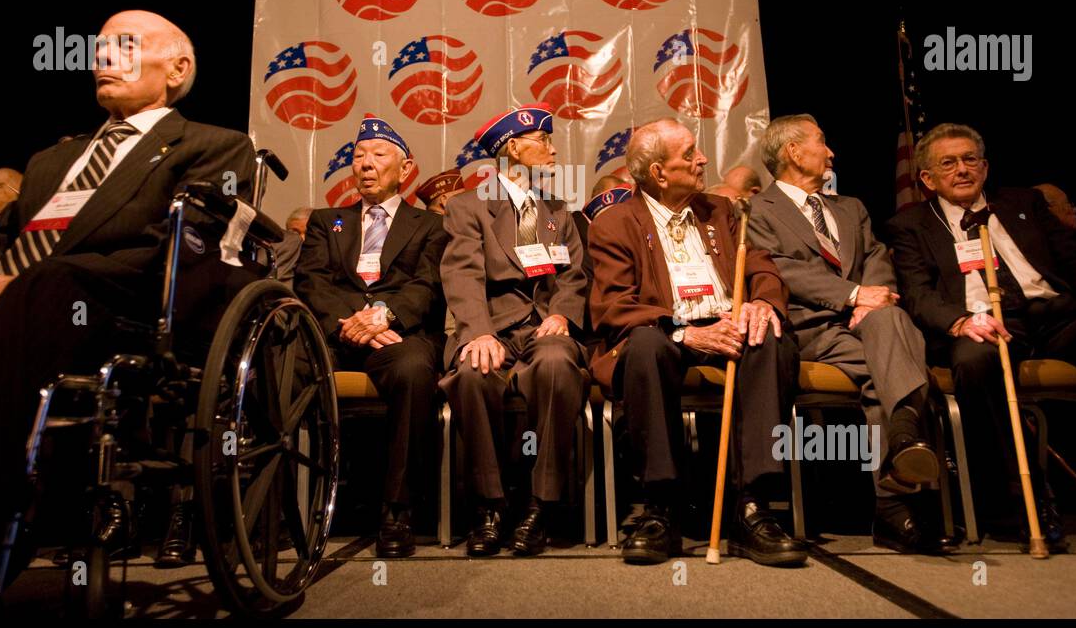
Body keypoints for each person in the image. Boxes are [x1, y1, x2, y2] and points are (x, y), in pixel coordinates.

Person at [0, 11, 258, 594]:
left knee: (51, 284)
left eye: (124, 46)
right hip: (12, 298)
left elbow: (191, 252)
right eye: (99, 48)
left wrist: (19, 288)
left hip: (116, 310)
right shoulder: (50, 160)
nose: (102, 58)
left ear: (178, 68)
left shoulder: (213, 147)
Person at [886, 123, 1076, 544]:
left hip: (1057, 317)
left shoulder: (1024, 202)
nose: (962, 170)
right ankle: (1017, 501)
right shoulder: (910, 224)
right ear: (928, 179)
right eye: (948, 163)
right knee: (974, 361)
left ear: (985, 167)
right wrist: (961, 321)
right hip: (984, 323)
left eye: (970, 159)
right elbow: (917, 294)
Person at [588, 117, 804, 566]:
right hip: (667, 332)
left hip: (729, 323)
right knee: (646, 347)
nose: (703, 159)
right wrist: (687, 332)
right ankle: (660, 507)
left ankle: (752, 506)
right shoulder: (614, 223)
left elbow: (763, 267)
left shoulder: (722, 212)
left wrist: (761, 302)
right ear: (658, 173)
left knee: (771, 337)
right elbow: (613, 306)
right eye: (689, 154)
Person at [748, 115, 945, 553]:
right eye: (822, 142)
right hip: (810, 327)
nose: (831, 152)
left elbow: (877, 257)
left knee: (892, 329)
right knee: (901, 369)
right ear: (793, 152)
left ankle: (901, 449)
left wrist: (874, 299)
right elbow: (779, 267)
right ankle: (897, 497)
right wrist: (854, 295)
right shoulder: (759, 210)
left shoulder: (850, 208)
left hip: (869, 322)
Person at [438, 103, 590, 556]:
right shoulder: (468, 206)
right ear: (512, 149)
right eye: (542, 140)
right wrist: (477, 332)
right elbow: (462, 273)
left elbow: (573, 275)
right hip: (493, 327)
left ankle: (541, 505)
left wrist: (562, 313)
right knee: (471, 373)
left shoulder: (558, 209)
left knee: (559, 364)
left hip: (545, 328)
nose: (552, 148)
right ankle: (491, 504)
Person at [294, 114, 447, 557]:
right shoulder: (327, 220)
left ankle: (397, 510)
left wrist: (384, 314)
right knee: (282, 364)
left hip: (397, 335)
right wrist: (350, 322)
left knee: (415, 370)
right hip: (336, 334)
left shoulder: (431, 225)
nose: (365, 164)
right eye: (358, 156)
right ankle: (277, 507)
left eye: (378, 156)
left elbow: (429, 284)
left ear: (404, 169)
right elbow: (310, 281)